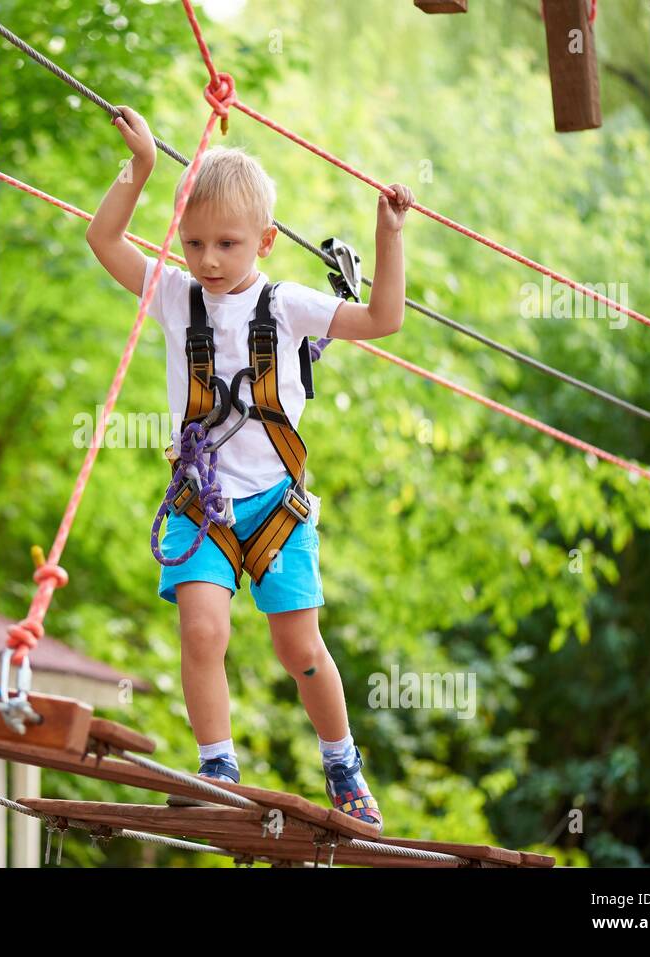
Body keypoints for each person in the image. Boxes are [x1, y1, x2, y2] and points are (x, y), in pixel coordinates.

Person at [84, 105, 413, 827]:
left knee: (299, 646)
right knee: (202, 632)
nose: (206, 260)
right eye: (194, 242)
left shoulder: (286, 305)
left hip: (276, 508)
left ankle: (341, 757)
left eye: (227, 244)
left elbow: (383, 318)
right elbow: (102, 239)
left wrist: (389, 234)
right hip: (203, 504)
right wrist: (138, 170)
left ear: (264, 241)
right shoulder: (174, 296)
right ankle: (217, 763)